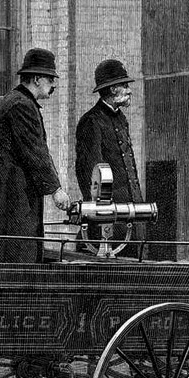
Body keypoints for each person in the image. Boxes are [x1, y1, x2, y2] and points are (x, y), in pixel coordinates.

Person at [0, 48, 70, 263]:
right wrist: (55, 190)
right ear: (36, 79)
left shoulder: (19, 101)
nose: (54, 85)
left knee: (9, 247)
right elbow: (35, 151)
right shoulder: (21, 105)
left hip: (8, 188)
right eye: (51, 79)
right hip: (8, 191)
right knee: (16, 249)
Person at [75, 59, 142, 242]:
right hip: (109, 215)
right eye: (125, 85)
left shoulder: (121, 119)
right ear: (113, 89)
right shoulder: (92, 121)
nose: (129, 91)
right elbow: (90, 172)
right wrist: (102, 211)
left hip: (129, 211)